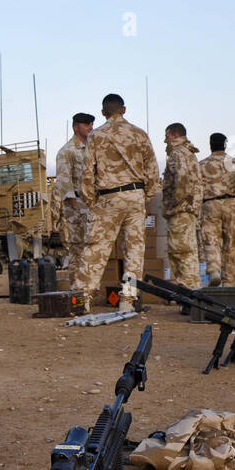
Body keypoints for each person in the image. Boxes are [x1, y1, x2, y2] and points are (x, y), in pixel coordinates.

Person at [74, 94, 159, 313]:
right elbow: (152, 172)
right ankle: (128, 302)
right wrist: (145, 196)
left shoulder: (96, 136)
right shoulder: (140, 134)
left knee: (96, 249)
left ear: (103, 112)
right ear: (124, 110)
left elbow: (87, 172)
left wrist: (91, 200)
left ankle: (83, 300)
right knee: (134, 252)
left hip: (108, 197)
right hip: (135, 196)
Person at [199, 132, 235, 286]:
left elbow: (194, 190)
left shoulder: (201, 165)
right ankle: (228, 281)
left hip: (209, 205)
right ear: (225, 144)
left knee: (211, 240)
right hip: (230, 204)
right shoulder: (234, 163)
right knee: (231, 244)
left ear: (210, 145)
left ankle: (214, 269)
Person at [52, 112, 94, 286]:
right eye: (86, 125)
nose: (90, 128)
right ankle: (76, 286)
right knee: (77, 248)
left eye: (91, 124)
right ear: (76, 127)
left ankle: (91, 285)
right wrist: (73, 203)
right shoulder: (67, 151)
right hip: (77, 204)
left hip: (93, 203)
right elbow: (63, 179)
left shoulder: (94, 147)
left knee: (93, 246)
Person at [160, 123, 203, 289]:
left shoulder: (178, 153)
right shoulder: (189, 153)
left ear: (173, 135)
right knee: (187, 252)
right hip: (188, 210)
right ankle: (192, 290)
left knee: (180, 252)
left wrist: (174, 204)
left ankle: (188, 290)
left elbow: (183, 179)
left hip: (180, 210)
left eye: (167, 136)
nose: (165, 141)